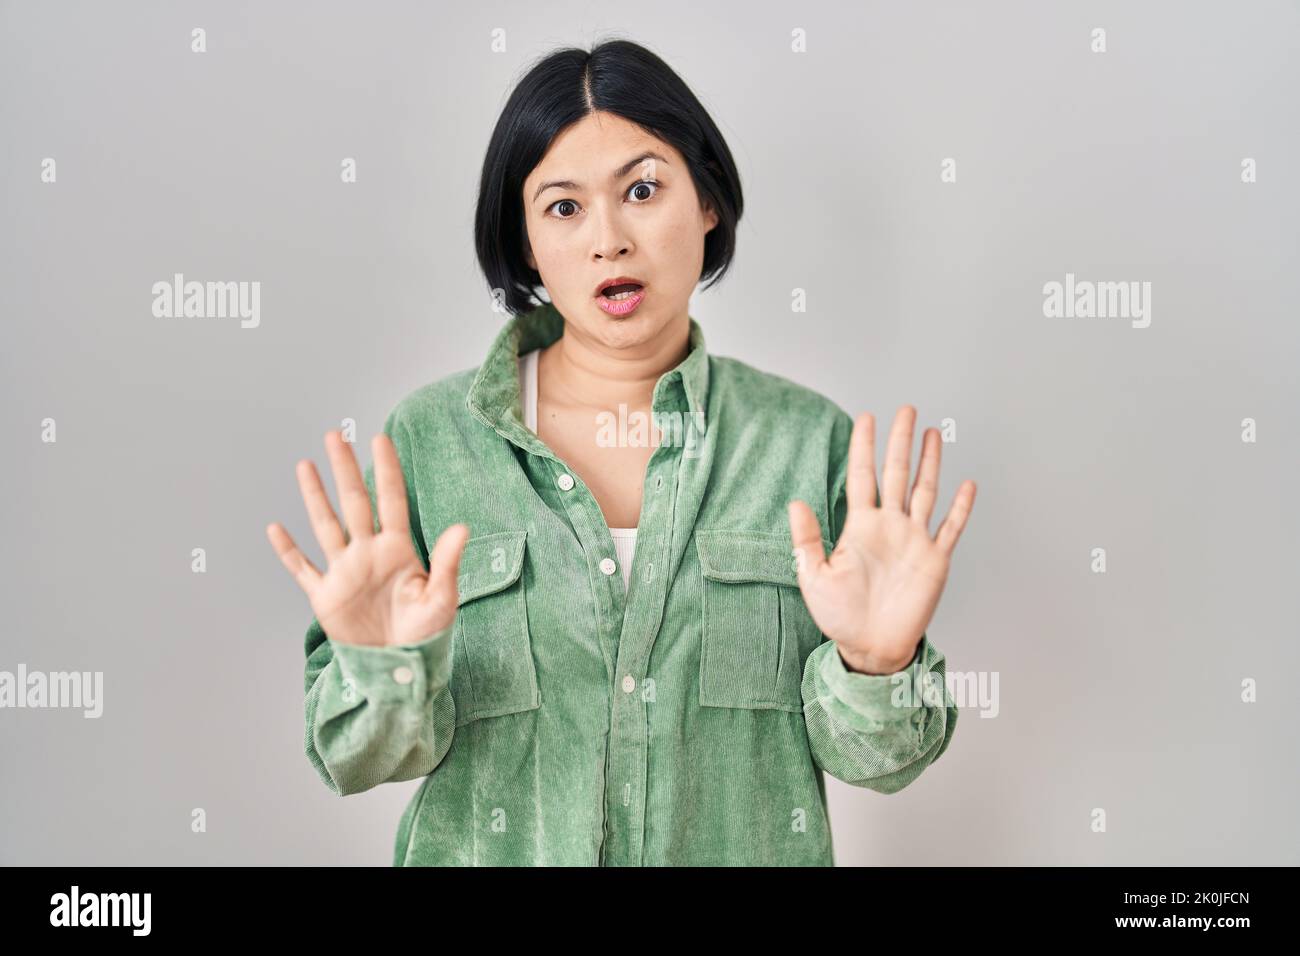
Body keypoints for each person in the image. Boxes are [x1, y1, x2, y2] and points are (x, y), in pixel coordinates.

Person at [265, 38, 976, 866]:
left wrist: (877, 661)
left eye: (642, 190)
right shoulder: (431, 441)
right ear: (527, 242)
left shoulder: (808, 444)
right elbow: (355, 760)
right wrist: (387, 666)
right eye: (563, 207)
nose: (609, 239)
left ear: (707, 202)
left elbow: (885, 760)